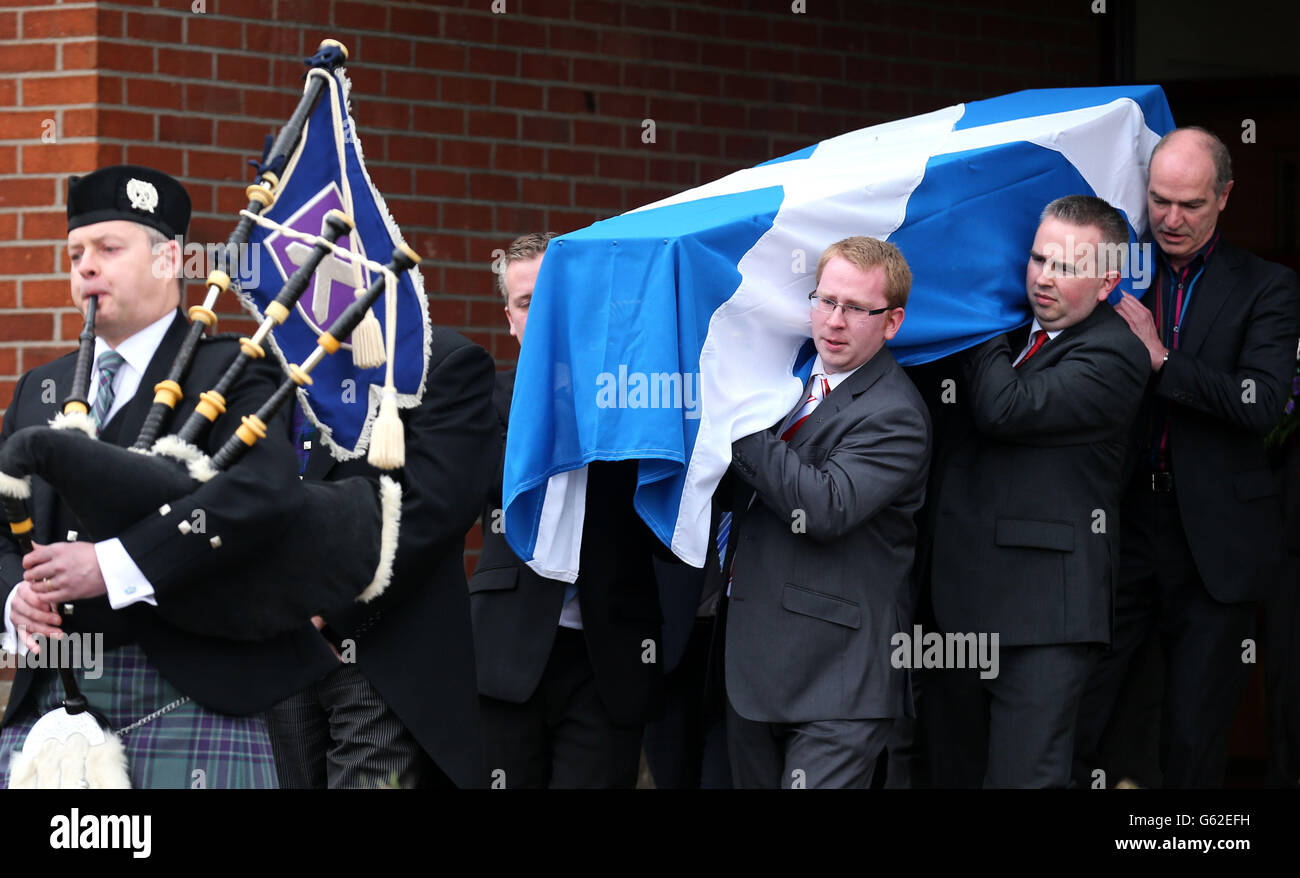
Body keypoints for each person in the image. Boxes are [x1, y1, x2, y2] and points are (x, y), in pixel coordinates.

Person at [0, 164, 336, 788]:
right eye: (75, 252)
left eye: (108, 248)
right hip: (52, 709)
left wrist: (117, 565)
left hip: (187, 696)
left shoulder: (234, 372)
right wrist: (12, 602)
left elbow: (259, 500)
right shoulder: (39, 389)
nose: (85, 267)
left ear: (168, 261)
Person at [1074, 127, 1300, 787]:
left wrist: (1163, 361)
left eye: (1190, 205)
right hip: (1119, 525)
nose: (1170, 219)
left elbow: (1260, 405)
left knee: (1192, 738)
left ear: (1224, 197)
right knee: (1082, 716)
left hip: (1215, 543)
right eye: (1159, 200)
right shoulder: (1118, 272)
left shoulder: (1269, 288)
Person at [925, 195, 1151, 788]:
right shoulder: (1015, 339)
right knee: (953, 775)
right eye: (1037, 259)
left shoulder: (1116, 353)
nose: (1044, 278)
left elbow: (1006, 409)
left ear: (1106, 283)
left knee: (1025, 780)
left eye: (1066, 267)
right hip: (960, 610)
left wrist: (978, 317)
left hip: (1047, 620)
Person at [720, 235, 930, 789]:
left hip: (839, 683)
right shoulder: (782, 383)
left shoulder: (897, 414)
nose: (835, 321)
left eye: (857, 308)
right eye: (826, 300)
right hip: (753, 667)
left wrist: (735, 420)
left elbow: (824, 506)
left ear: (892, 322)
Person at [469, 233, 668, 788]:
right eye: (527, 302)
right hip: (509, 652)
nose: (541, 312)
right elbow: (487, 485)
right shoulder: (485, 396)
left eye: (554, 297)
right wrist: (552, 398)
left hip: (612, 653)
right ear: (509, 317)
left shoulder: (629, 394)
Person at [266, 323, 500, 788]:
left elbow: (433, 512)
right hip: (277, 653)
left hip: (379, 656)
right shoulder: (274, 361)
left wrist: (324, 609)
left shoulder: (446, 361)